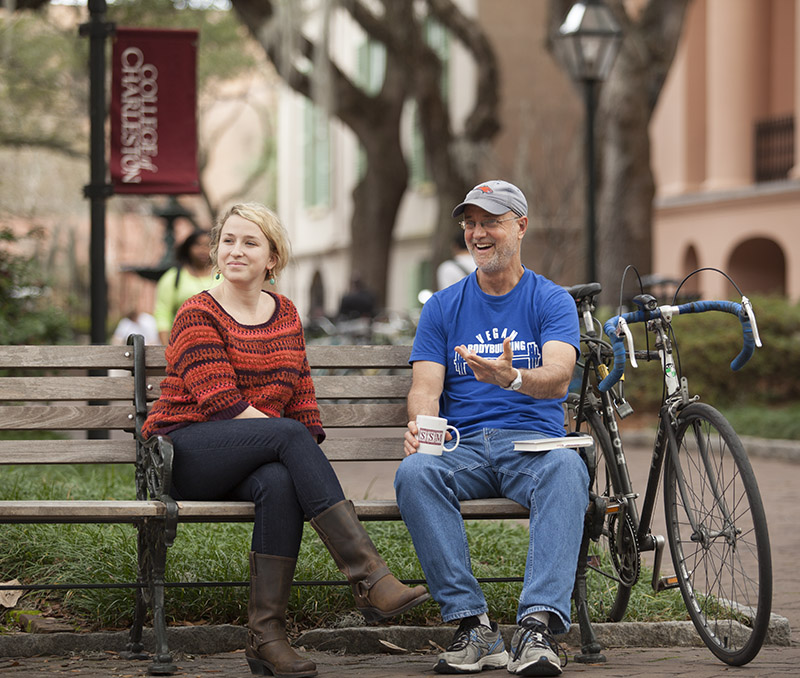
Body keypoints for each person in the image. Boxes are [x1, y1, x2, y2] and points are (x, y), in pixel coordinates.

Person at [141, 203, 429, 678]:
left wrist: (298, 454)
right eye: (228, 241)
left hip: (253, 453)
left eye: (250, 242)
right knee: (286, 442)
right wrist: (292, 439)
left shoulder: (287, 313)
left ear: (272, 257)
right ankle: (369, 577)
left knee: (277, 482)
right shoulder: (197, 313)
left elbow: (301, 398)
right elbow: (224, 407)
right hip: (185, 450)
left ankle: (266, 636)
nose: (236, 250)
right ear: (215, 251)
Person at [394, 180, 587, 677]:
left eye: (491, 222)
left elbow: (559, 375)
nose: (478, 233)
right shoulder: (442, 307)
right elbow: (425, 387)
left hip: (533, 446)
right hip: (463, 447)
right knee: (415, 473)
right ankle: (474, 626)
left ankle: (537, 628)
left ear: (520, 227)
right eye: (471, 223)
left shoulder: (552, 301)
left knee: (568, 468)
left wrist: (513, 377)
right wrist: (420, 425)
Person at [153, 229, 214, 343]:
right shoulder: (173, 277)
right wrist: (165, 346)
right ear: (188, 248)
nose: (203, 250)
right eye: (198, 245)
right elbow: (163, 313)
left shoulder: (223, 276)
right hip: (182, 343)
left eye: (208, 245)